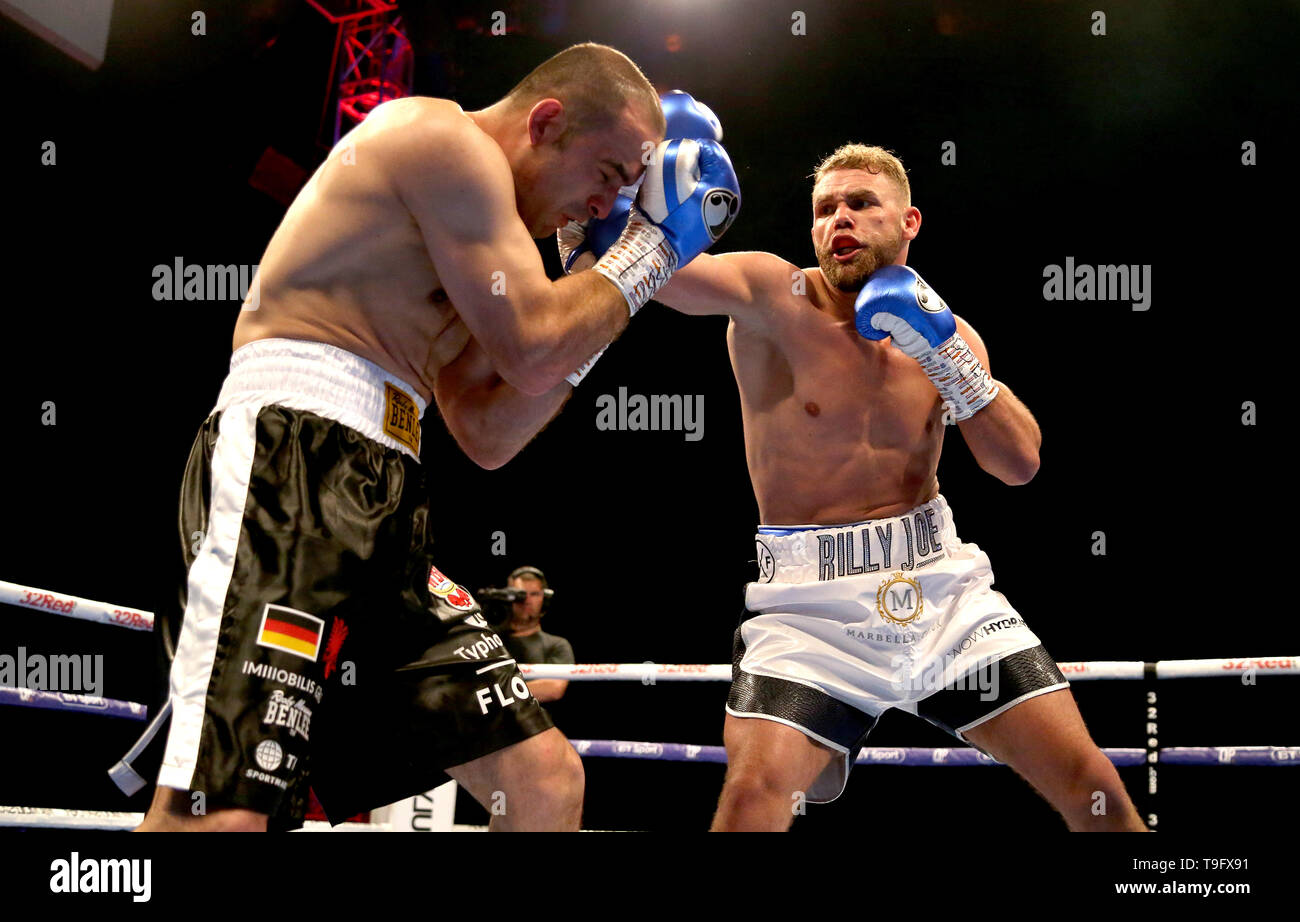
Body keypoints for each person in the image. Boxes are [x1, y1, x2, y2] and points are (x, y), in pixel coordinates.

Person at [137, 43, 739, 832]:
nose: (603, 205)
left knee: (544, 781)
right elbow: (531, 343)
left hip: (387, 496)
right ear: (547, 122)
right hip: (289, 467)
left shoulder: (477, 249)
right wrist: (646, 252)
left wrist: (602, 270)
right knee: (223, 816)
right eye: (605, 175)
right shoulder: (440, 140)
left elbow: (492, 427)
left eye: (622, 192)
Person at [562, 140, 1146, 831]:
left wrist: (947, 357)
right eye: (824, 209)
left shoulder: (949, 334)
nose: (839, 219)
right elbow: (660, 279)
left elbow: (1019, 464)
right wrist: (599, 214)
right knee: (752, 799)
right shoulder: (773, 296)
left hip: (942, 594)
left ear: (909, 221)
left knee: (1093, 786)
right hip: (810, 612)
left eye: (861, 204)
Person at [499, 566, 574, 704]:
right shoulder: (491, 640)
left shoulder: (557, 645)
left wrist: (494, 694)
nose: (526, 600)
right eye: (520, 594)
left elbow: (553, 688)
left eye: (534, 594)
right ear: (508, 597)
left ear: (544, 599)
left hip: (539, 724)